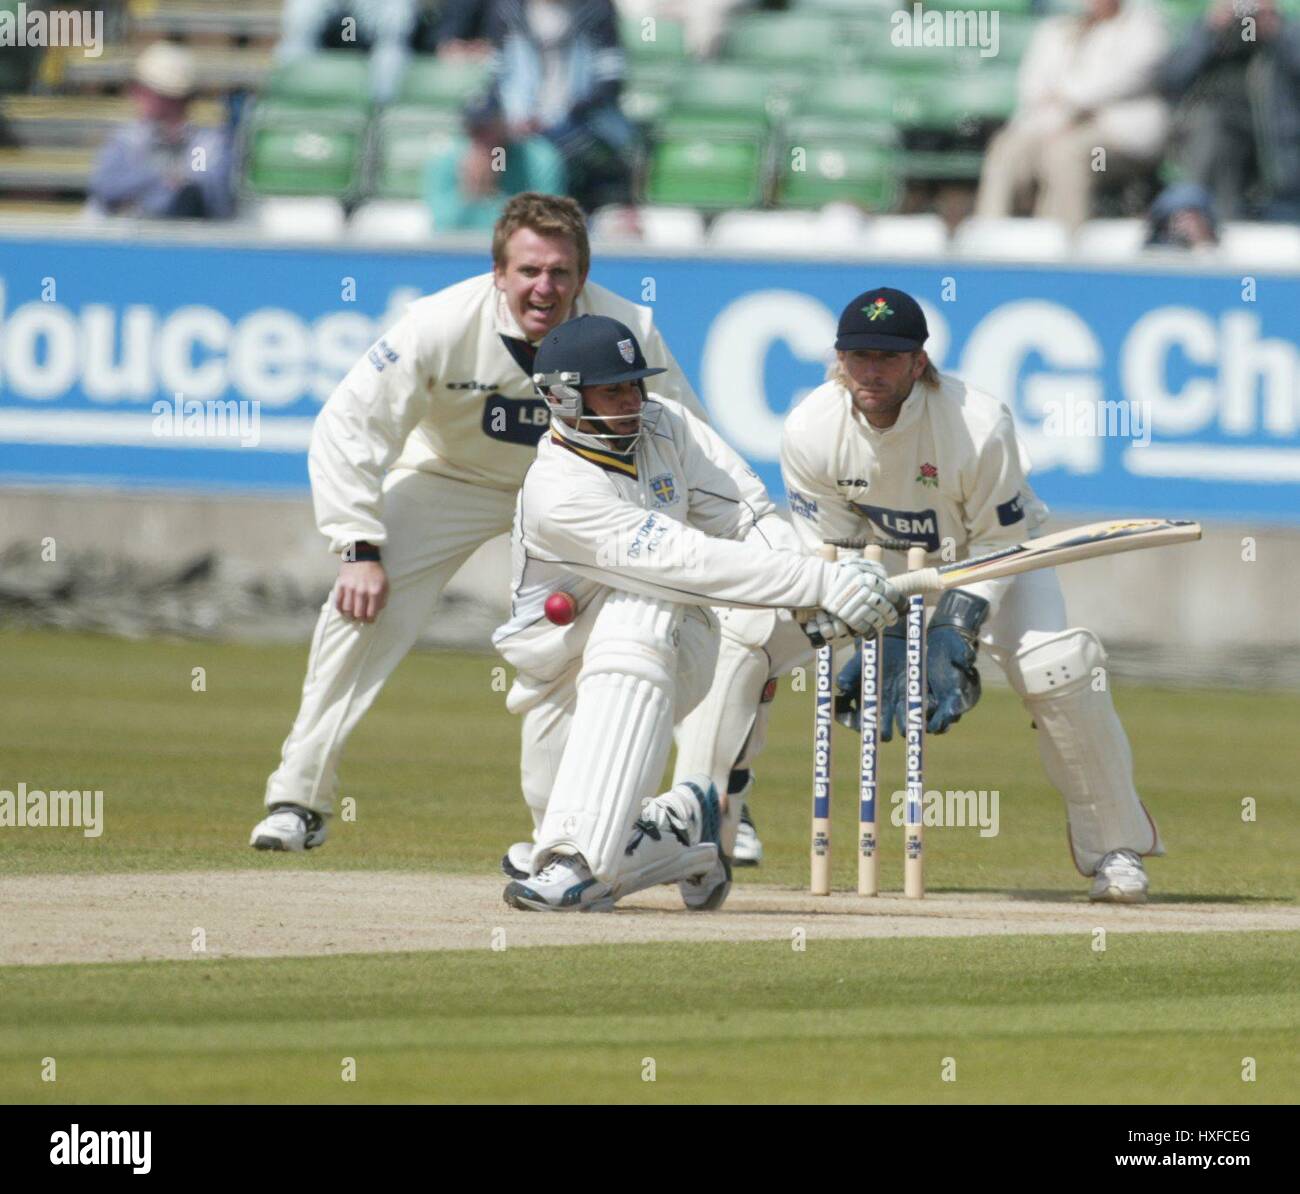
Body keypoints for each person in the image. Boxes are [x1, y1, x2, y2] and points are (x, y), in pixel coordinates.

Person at [673, 287, 1165, 903]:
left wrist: (953, 624)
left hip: (987, 563)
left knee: (1057, 666)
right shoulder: (811, 428)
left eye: (887, 356)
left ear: (919, 363)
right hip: (877, 576)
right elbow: (830, 549)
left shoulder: (977, 425)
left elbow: (999, 541)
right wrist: (888, 626)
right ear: (838, 358)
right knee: (741, 632)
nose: (871, 370)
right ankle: (696, 823)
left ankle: (1114, 847)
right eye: (858, 356)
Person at [250, 193, 703, 852]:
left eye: (559, 273)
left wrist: (688, 547)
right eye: (528, 271)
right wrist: (357, 545)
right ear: (499, 273)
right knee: (357, 606)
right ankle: (298, 798)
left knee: (646, 625)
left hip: (580, 493)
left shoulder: (627, 324)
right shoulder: (437, 323)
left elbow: (683, 438)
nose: (544, 288)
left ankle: (683, 801)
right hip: (451, 479)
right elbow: (350, 426)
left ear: (582, 277)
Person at [493, 315, 902, 912]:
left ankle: (577, 864)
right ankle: (686, 826)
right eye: (613, 391)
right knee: (590, 825)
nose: (633, 402)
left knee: (643, 605)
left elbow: (746, 519)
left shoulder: (667, 425)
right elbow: (688, 557)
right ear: (562, 398)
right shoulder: (559, 492)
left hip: (662, 649)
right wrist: (823, 579)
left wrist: (818, 592)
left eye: (637, 385)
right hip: (558, 674)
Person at [975, 0, 1169, 230]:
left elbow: (1118, 81)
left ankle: (1062, 243)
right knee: (1007, 149)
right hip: (1049, 127)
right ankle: (990, 236)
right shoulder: (1054, 30)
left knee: (1066, 155)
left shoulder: (1145, 26)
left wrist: (1066, 99)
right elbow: (1033, 87)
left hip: (1114, 149)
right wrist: (1061, 113)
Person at [466, 0, 639, 212]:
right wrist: (507, 124)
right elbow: (495, 82)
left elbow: (609, 83)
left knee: (561, 156)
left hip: (582, 125)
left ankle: (559, 219)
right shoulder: (506, 9)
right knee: (479, 151)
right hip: (516, 125)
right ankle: (490, 218)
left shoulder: (598, 8)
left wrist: (554, 119)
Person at [1157, 0, 1300, 221]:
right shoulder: (1209, 28)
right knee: (1212, 129)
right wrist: (1210, 29)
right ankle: (1199, 217)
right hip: (1216, 132)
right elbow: (1172, 78)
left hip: (1277, 140)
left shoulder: (1287, 31)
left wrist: (1275, 31)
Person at [87, 42, 234, 220]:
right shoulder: (129, 138)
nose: (136, 94)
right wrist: (160, 178)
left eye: (144, 89)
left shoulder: (202, 144)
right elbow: (106, 188)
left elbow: (197, 187)